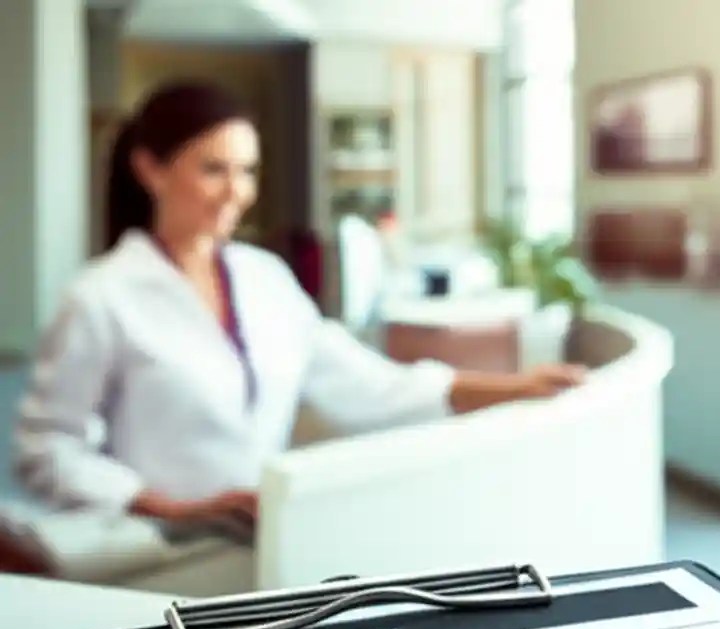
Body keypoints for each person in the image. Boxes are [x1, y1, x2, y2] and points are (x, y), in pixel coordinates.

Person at [12, 81, 585, 539]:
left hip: (263, 536)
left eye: (247, 171)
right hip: (158, 546)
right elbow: (48, 449)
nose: (236, 191)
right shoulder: (101, 297)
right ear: (150, 169)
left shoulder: (267, 281)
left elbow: (372, 387)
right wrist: (172, 508)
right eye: (213, 169)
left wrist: (517, 387)